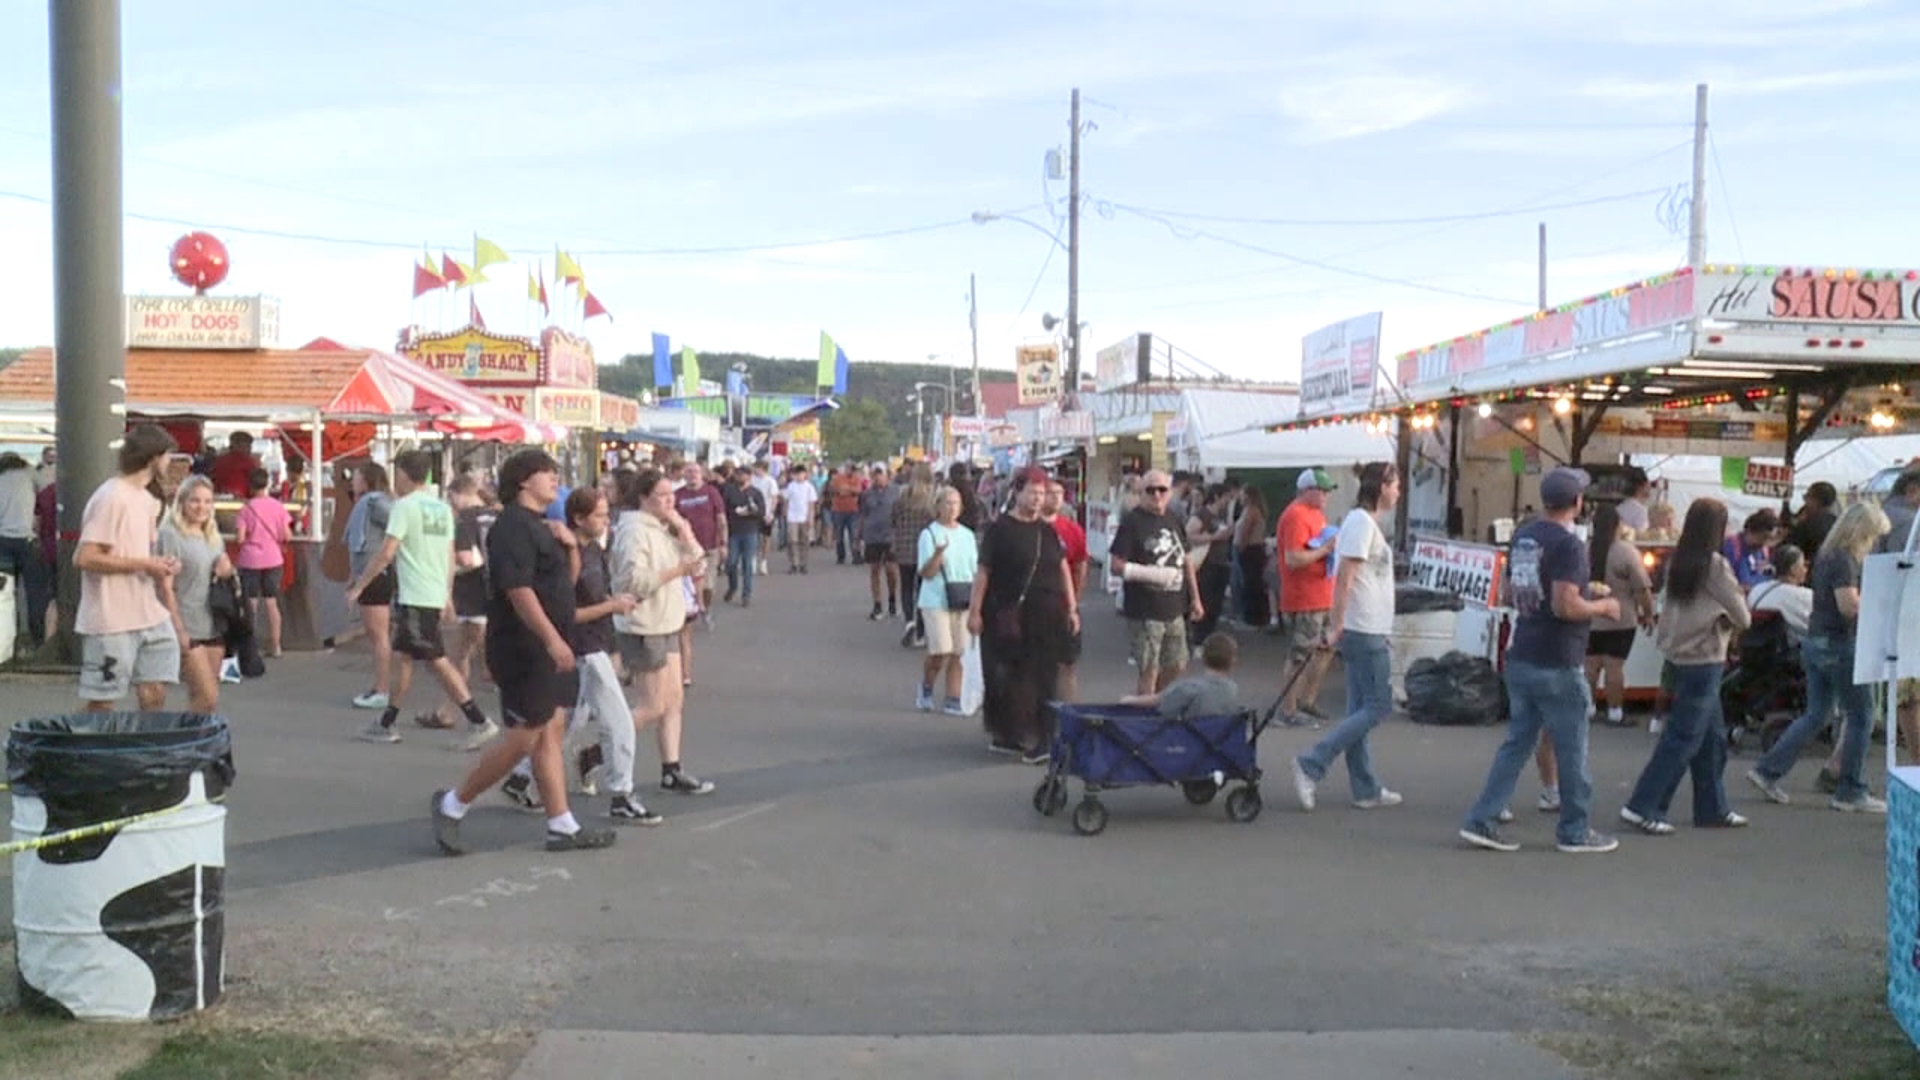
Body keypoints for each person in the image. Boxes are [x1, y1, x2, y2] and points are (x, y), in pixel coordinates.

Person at [432, 449, 617, 855]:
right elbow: (519, 591)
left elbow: (561, 587)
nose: (555, 479)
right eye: (546, 473)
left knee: (550, 729)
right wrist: (551, 639)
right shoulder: (511, 526)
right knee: (524, 736)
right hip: (524, 645)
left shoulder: (543, 525)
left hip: (554, 639)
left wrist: (570, 548)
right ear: (523, 481)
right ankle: (453, 803)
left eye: (555, 472)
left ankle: (561, 823)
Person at [1458, 467, 1622, 854]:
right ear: (1578, 503)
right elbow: (1565, 606)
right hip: (1558, 658)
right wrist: (1604, 605)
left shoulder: (1524, 535)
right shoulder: (1569, 546)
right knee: (1572, 747)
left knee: (1517, 743)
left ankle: (1482, 818)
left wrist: (1581, 590)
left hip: (1523, 650)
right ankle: (1575, 830)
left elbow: (1513, 591)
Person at [502, 487, 659, 825]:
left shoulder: (591, 550)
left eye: (606, 514)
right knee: (618, 723)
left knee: (567, 722)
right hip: (581, 647)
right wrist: (613, 606)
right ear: (579, 518)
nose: (606, 521)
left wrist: (614, 609)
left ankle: (519, 775)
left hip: (591, 645)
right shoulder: (565, 554)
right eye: (600, 516)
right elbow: (565, 612)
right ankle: (622, 794)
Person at [1746, 500, 1893, 813]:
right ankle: (1850, 789)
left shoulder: (1827, 556)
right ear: (1861, 532)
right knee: (1861, 716)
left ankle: (1767, 770)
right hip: (1840, 644)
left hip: (1816, 642)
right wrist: (1880, 603)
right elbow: (1848, 606)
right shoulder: (1845, 560)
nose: (1875, 542)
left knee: (1816, 714)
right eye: (1873, 535)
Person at [348, 450, 500, 750]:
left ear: (404, 474)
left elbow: (387, 551)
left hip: (414, 593)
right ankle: (387, 721)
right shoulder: (441, 509)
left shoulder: (404, 507)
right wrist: (446, 593)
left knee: (435, 659)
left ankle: (478, 719)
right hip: (430, 591)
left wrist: (359, 585)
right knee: (406, 656)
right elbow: (447, 553)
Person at [1619, 498, 1751, 834]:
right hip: (1706, 657)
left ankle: (1712, 807)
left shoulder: (1679, 561)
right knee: (1684, 738)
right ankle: (1643, 805)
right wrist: (1726, 620)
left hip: (1679, 654)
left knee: (1710, 738)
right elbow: (1742, 615)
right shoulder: (1715, 565)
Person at [1290, 462, 1406, 814]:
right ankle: (1312, 763)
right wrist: (1336, 624)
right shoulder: (1360, 523)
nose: (1399, 491)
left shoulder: (1363, 523)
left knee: (1360, 708)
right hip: (1362, 627)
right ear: (1382, 486)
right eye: (1396, 484)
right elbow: (1345, 577)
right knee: (1377, 705)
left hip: (1367, 627)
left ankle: (1364, 786)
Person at [613, 468, 717, 797]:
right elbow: (634, 580)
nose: (669, 500)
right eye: (661, 495)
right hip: (645, 624)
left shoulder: (661, 527)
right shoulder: (633, 531)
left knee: (674, 701)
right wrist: (678, 571)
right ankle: (599, 752)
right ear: (643, 497)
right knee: (653, 705)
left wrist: (682, 527)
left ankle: (671, 768)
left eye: (672, 493)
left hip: (668, 620)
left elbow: (698, 561)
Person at [967, 468, 1078, 763]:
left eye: (1042, 494)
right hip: (1009, 613)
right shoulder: (1000, 529)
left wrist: (1072, 607)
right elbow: (983, 572)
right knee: (1010, 674)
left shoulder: (1047, 531)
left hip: (1048, 612)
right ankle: (1009, 732)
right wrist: (975, 610)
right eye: (1032, 492)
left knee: (1044, 675)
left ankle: (1044, 735)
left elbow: (1063, 567)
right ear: (1016, 492)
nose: (1037, 499)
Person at [73, 423, 181, 711]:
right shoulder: (111, 496)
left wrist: (157, 564)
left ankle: (142, 749)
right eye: (168, 455)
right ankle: (82, 751)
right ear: (153, 457)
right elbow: (85, 557)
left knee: (155, 687)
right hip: (111, 617)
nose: (170, 462)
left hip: (147, 611)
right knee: (103, 700)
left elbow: (136, 553)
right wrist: (144, 563)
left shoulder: (148, 500)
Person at [1111, 469, 1200, 697]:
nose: (1157, 495)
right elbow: (1116, 565)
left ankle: (1158, 705)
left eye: (1162, 490)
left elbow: (1187, 559)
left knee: (1177, 664)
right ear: (1141, 492)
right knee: (1149, 669)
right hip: (1145, 609)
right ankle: (1144, 718)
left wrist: (1195, 598)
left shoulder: (1174, 519)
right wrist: (1152, 574)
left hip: (1175, 607)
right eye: (1151, 490)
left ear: (1170, 492)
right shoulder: (1132, 522)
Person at [156, 476, 234, 714]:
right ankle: (180, 739)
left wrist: (227, 569)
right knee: (206, 695)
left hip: (213, 622)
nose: (202, 507)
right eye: (195, 501)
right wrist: (178, 629)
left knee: (208, 699)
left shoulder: (213, 535)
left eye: (208, 502)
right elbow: (164, 586)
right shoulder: (170, 536)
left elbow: (223, 574)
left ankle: (196, 745)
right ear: (182, 502)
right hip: (186, 623)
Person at [428, 476, 496, 730]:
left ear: (458, 494)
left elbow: (467, 559)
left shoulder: (465, 520)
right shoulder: (494, 515)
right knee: (464, 654)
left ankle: (452, 712)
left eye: (451, 497)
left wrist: (447, 568)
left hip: (473, 594)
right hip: (495, 592)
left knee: (471, 655)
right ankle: (446, 710)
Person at [1275, 469, 1339, 726]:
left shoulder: (1314, 514)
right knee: (1300, 654)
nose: (1325, 496)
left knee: (1324, 649)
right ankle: (1289, 710)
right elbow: (1293, 559)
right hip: (1304, 597)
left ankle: (1306, 700)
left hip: (1321, 594)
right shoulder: (1295, 516)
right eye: (1321, 490)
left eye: (1326, 491)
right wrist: (1326, 549)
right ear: (1306, 490)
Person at [1585, 503, 1654, 729]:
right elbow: (1642, 588)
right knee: (1614, 667)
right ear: (1617, 526)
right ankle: (1615, 713)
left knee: (1590, 666)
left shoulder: (1585, 550)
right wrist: (1649, 614)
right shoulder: (1626, 552)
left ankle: (1588, 708)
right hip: (1621, 618)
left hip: (1589, 616)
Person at [916, 487, 978, 715]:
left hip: (962, 597)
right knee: (940, 650)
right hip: (936, 598)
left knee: (960, 651)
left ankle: (953, 697)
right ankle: (926, 686)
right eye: (947, 503)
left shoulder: (968, 535)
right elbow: (927, 572)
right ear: (938, 506)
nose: (952, 508)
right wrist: (938, 553)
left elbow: (975, 569)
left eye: (956, 503)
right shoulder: (929, 534)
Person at [344, 462, 396, 710]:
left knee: (378, 635)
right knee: (377, 635)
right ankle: (381, 687)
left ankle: (382, 689)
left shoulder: (375, 502)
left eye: (355, 477)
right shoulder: (373, 502)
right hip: (373, 572)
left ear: (365, 480)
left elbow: (396, 525)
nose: (351, 481)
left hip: (375, 573)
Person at [233, 467, 291, 659]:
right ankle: (276, 646)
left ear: (250, 485)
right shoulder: (277, 506)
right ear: (267, 484)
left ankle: (250, 647)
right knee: (272, 602)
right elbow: (286, 535)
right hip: (274, 559)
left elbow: (240, 539)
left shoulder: (246, 508)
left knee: (251, 605)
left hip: (250, 560)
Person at [1043, 477, 1090, 703]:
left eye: (1059, 493)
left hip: (1063, 605)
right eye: (1050, 492)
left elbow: (1081, 565)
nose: (1055, 498)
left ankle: (1067, 715)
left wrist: (1074, 600)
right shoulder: (1029, 526)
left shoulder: (1071, 529)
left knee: (1067, 663)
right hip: (1035, 604)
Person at [1123, 631, 1240, 720]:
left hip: (1187, 741)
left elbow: (1161, 704)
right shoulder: (1232, 689)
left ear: (1203, 657)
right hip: (1219, 742)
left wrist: (1129, 700)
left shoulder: (1188, 687)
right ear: (1232, 661)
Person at [673, 462, 727, 630]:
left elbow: (721, 518)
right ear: (684, 475)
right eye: (688, 471)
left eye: (695, 471)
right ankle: (696, 608)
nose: (692, 474)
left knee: (708, 585)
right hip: (687, 547)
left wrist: (724, 543)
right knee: (692, 582)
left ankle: (705, 606)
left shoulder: (711, 492)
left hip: (710, 545)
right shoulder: (678, 495)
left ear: (702, 474)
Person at [891, 464, 938, 647]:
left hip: (903, 547)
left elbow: (893, 519)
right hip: (925, 550)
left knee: (906, 587)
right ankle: (920, 630)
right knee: (923, 590)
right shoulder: (931, 500)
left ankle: (909, 621)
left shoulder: (902, 498)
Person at [0, 451, 43, 647]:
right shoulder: (29, 473)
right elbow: (46, 488)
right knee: (34, 592)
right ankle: (36, 638)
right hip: (27, 541)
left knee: (5, 593)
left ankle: (8, 636)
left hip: (3, 541)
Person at [1186, 483, 1234, 645]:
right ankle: (1198, 637)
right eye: (1226, 497)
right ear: (1217, 497)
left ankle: (1208, 635)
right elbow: (1189, 535)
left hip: (1221, 562)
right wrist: (1213, 537)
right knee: (1205, 600)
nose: (1228, 500)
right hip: (1206, 563)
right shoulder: (1202, 515)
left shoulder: (1221, 515)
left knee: (1216, 603)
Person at [720, 465, 766, 607]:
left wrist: (751, 512)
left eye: (742, 475)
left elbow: (761, 512)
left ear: (749, 476)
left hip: (750, 531)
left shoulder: (755, 493)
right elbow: (723, 510)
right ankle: (733, 586)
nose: (739, 477)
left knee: (747, 564)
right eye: (738, 475)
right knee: (731, 563)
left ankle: (746, 593)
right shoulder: (729, 491)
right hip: (733, 532)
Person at [1749, 544, 1813, 642]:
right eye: (1804, 565)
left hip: (1753, 648)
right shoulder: (1806, 596)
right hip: (1788, 652)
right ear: (1793, 569)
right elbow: (1814, 627)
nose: (1806, 570)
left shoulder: (1756, 589)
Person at [859, 465, 901, 620]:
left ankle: (892, 599)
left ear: (887, 476)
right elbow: (862, 515)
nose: (878, 478)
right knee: (874, 569)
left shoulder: (896, 492)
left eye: (880, 474)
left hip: (890, 536)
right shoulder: (866, 495)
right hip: (872, 536)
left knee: (891, 570)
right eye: (875, 475)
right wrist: (860, 536)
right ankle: (877, 604)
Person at [1233, 487, 1270, 628]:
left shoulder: (1251, 511)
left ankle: (1252, 618)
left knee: (1250, 584)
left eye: (1242, 495)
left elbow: (1245, 532)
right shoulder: (1249, 510)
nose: (1240, 498)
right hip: (1252, 549)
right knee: (1251, 583)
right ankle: (1254, 617)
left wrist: (1241, 548)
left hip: (1250, 550)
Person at [1722, 509, 1778, 589]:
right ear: (1749, 531)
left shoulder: (1763, 551)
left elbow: (1767, 576)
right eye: (1763, 537)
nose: (1765, 543)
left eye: (1769, 539)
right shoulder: (1731, 547)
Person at [1787, 481, 1840, 560]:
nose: (1805, 502)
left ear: (1816, 501)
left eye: (1807, 497)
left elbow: (1789, 554)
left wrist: (1796, 526)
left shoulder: (1807, 526)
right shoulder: (1839, 526)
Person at [782, 464, 818, 573]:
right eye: (797, 474)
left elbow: (811, 504)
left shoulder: (809, 487)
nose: (799, 476)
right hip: (792, 517)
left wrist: (811, 518)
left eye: (801, 474)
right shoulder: (791, 486)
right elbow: (786, 501)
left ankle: (803, 563)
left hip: (804, 517)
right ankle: (794, 563)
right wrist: (785, 513)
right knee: (792, 541)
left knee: (804, 541)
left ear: (805, 475)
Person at [827, 464, 862, 564]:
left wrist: (847, 489)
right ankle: (840, 556)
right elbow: (835, 489)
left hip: (853, 510)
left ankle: (855, 555)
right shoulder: (838, 478)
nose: (849, 471)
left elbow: (858, 490)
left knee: (853, 534)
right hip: (838, 510)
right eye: (848, 468)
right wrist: (850, 490)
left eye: (851, 469)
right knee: (839, 534)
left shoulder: (856, 479)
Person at [749, 461, 779, 576]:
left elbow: (774, 498)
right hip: (753, 514)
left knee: (765, 539)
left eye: (757, 468)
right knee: (753, 537)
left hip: (766, 513)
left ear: (763, 468)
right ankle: (753, 561)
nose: (755, 470)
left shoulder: (770, 481)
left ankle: (763, 562)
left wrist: (771, 513)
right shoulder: (752, 480)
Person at [208, 431, 257, 500]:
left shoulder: (219, 460)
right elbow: (256, 481)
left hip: (219, 497)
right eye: (247, 445)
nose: (250, 449)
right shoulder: (247, 461)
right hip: (241, 498)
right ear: (236, 445)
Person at [1615, 468, 1653, 534]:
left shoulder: (1619, 507)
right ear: (1641, 486)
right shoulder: (1640, 510)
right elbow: (1641, 535)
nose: (1650, 487)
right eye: (1649, 483)